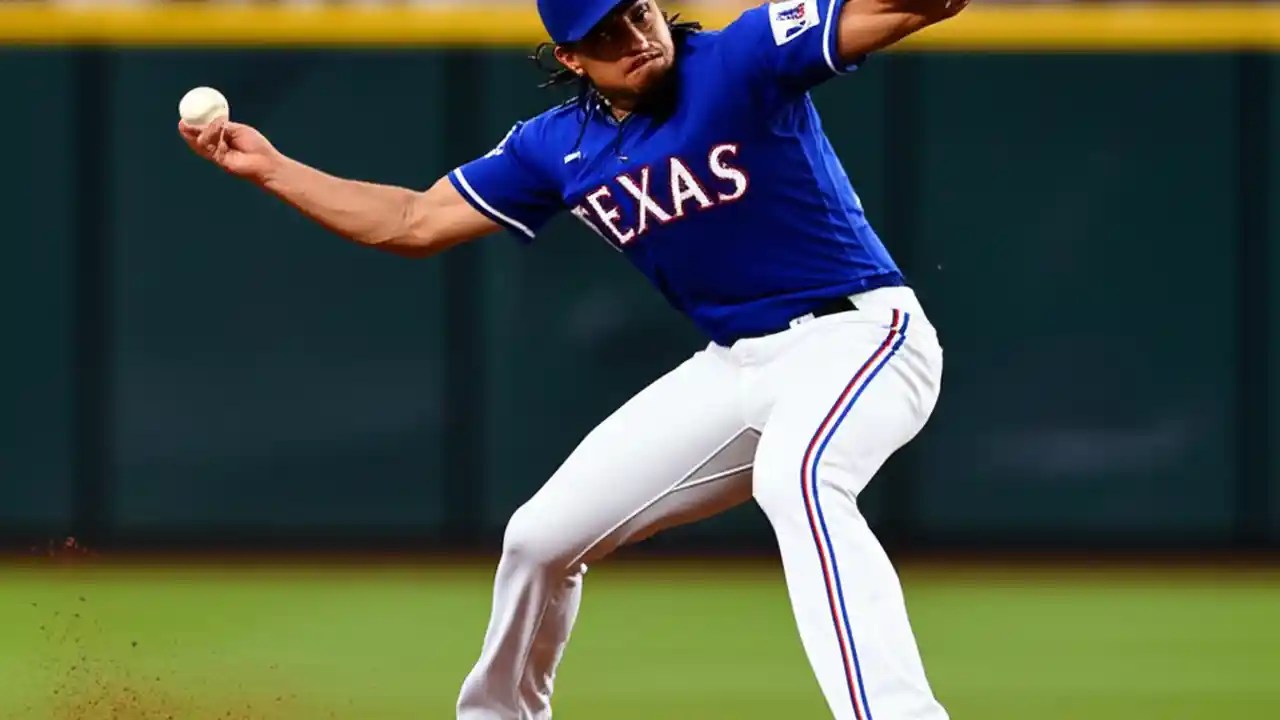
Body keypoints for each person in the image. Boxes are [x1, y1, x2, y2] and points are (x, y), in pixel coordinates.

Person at [179, 0, 968, 717]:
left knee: (798, 478)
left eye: (636, 12)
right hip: (737, 366)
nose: (632, 37)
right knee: (538, 539)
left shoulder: (743, 55)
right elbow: (413, 220)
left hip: (862, 335)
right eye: (603, 34)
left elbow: (904, 9)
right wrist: (273, 167)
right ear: (569, 59)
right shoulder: (557, 146)